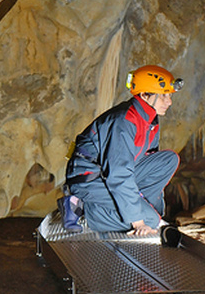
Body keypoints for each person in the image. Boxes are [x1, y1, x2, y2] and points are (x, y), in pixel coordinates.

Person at [58, 65, 182, 236]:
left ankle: (145, 213)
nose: (169, 102)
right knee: (148, 220)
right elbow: (118, 173)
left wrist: (156, 213)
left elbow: (145, 161)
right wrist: (138, 222)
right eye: (163, 96)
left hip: (108, 174)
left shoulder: (149, 119)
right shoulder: (124, 121)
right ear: (145, 95)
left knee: (169, 160)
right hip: (90, 180)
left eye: (169, 96)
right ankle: (81, 207)